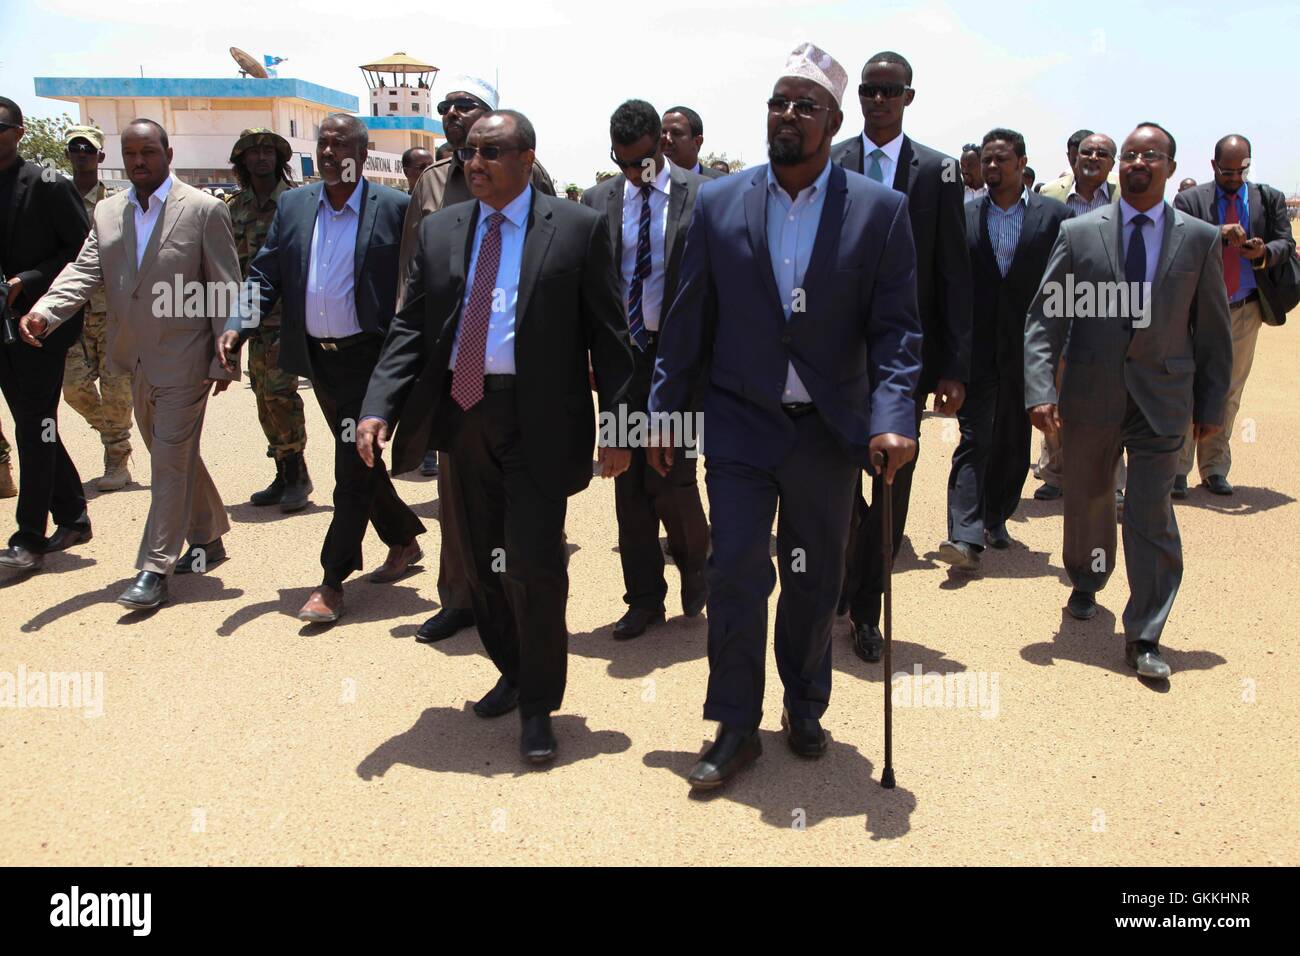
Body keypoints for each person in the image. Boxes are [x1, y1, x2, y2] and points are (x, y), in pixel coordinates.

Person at [649, 43, 922, 789]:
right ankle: (734, 725)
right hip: (740, 422)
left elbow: (898, 331)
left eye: (805, 104)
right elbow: (684, 322)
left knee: (813, 576)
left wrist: (893, 417)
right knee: (736, 570)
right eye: (778, 101)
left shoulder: (879, 211)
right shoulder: (718, 202)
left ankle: (805, 704)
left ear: (834, 121)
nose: (788, 115)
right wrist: (661, 419)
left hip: (828, 431)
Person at [357, 110, 636, 764]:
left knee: (533, 565)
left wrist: (621, 426)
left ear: (526, 157)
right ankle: (512, 667)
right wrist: (379, 406)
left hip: (540, 422)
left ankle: (540, 705)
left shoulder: (575, 228)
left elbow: (612, 338)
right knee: (482, 564)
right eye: (469, 153)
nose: (473, 164)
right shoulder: (441, 229)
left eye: (489, 152)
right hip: (464, 415)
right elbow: (409, 327)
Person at [1024, 122, 1233, 680]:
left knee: (1150, 511)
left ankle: (1145, 634)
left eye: (1151, 155)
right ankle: (1088, 580)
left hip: (1164, 397)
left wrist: (1212, 407)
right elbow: (1046, 316)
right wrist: (1041, 388)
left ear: (1169, 165)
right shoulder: (1081, 231)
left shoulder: (1200, 238)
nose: (1138, 163)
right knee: (1088, 500)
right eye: (1131, 155)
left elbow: (1213, 330)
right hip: (1091, 395)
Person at [217, 114, 425, 624]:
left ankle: (332, 581)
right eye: (323, 143)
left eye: (340, 144)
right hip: (318, 362)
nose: (329, 152)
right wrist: (238, 325)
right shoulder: (295, 205)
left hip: (371, 361)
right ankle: (402, 538)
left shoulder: (395, 208)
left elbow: (418, 282)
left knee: (349, 471)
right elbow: (266, 271)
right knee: (360, 459)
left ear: (364, 149)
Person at [23, 118, 240, 608]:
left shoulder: (203, 209)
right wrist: (45, 311)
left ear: (168, 152)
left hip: (185, 358)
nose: (139, 161)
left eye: (149, 152)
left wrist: (225, 353)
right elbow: (84, 270)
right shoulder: (107, 211)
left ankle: (154, 567)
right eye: (131, 153)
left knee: (166, 462)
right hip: (134, 358)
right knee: (173, 454)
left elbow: (228, 285)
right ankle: (208, 535)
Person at [395, 74, 557, 645]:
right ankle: (459, 599)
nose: (453, 113)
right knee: (455, 499)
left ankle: (519, 604)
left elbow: (551, 260)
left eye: (466, 105)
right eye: (446, 107)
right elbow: (411, 272)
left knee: (518, 505)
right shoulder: (432, 184)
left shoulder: (530, 177)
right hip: (454, 366)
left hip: (515, 373)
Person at [831, 49, 971, 662]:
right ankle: (841, 577)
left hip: (901, 360)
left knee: (890, 487)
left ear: (909, 96)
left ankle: (866, 610)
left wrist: (952, 367)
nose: (879, 99)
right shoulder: (830, 163)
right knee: (835, 480)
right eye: (869, 89)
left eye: (890, 90)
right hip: (832, 359)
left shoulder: (939, 173)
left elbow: (952, 277)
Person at [583, 99, 709, 638]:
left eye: (641, 159)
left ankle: (699, 571)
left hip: (676, 360)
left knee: (674, 478)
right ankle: (643, 599)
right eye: (623, 161)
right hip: (620, 361)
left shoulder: (701, 197)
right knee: (627, 483)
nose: (634, 171)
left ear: (661, 141)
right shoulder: (598, 202)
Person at [938, 129, 1072, 572]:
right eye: (987, 161)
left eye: (1001, 160)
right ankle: (963, 534)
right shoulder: (965, 214)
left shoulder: (1054, 216)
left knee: (1014, 441)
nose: (992, 167)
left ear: (1021, 163)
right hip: (976, 347)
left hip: (1029, 349)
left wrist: (1061, 343)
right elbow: (952, 283)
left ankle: (996, 517)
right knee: (975, 438)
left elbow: (1063, 284)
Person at [1171, 135, 1296, 497]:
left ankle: (1214, 469)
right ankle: (1178, 471)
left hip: (1244, 309)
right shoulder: (1190, 200)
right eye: (1228, 171)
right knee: (1186, 387)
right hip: (1195, 311)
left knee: (1227, 391)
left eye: (1242, 169)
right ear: (1214, 167)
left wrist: (1262, 253)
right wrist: (1217, 234)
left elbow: (1285, 243)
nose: (1236, 177)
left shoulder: (1267, 198)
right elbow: (1176, 241)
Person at [0, 96, 92, 573]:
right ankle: (73, 514)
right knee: (33, 423)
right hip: (2, 327)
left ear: (18, 133)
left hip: (40, 324)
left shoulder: (48, 185)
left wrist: (30, 280)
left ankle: (28, 538)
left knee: (34, 423)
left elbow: (83, 254)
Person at [1034, 132, 1122, 501]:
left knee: (1108, 398)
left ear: (1112, 162)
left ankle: (1113, 481)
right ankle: (1056, 473)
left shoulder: (1125, 197)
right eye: (1087, 152)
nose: (1094, 158)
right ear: (1074, 157)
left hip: (1106, 308)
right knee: (1052, 391)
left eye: (1103, 154)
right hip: (1059, 305)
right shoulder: (1050, 195)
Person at [227, 127, 311, 513]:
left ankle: (297, 473)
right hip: (251, 317)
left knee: (280, 393)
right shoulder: (233, 207)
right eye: (253, 152)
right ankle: (282, 469)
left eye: (268, 151)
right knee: (261, 395)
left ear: (280, 159)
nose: (261, 157)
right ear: (242, 161)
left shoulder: (295, 203)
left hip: (286, 316)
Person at [60, 124, 134, 492]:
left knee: (116, 385)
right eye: (75, 149)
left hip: (112, 310)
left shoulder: (116, 203)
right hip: (71, 308)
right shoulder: (54, 197)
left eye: (88, 149)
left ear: (100, 157)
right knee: (73, 387)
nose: (81, 155)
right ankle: (113, 433)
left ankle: (116, 457)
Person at [660, 106, 724, 179]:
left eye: (676, 133)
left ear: (697, 142)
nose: (667, 139)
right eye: (663, 133)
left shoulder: (722, 183)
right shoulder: (648, 182)